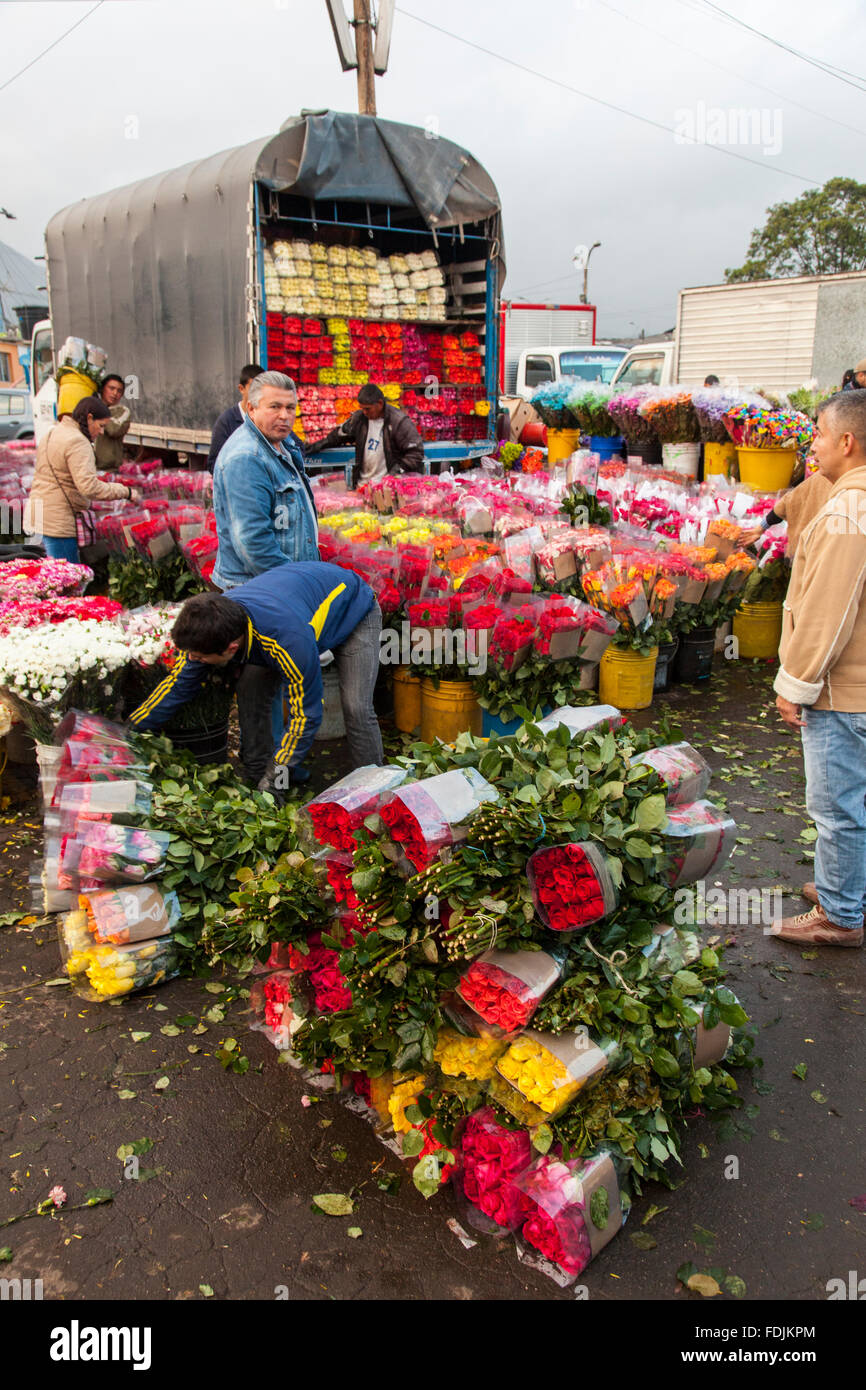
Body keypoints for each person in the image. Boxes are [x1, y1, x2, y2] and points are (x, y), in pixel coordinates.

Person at [128, 562, 383, 792]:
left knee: (356, 707)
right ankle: (257, 772)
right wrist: (131, 730)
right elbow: (177, 684)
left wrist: (277, 782)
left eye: (200, 658)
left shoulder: (288, 642)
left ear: (231, 649)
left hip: (354, 609)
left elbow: (306, 715)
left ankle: (375, 788)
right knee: (250, 688)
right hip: (295, 602)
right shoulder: (210, 626)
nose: (194, 661)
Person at [769, 389, 866, 947]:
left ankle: (840, 916)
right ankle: (845, 887)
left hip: (842, 687)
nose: (814, 446)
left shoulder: (849, 508)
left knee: (836, 807)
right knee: (854, 801)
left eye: (820, 435)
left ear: (847, 443)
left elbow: (829, 609)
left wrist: (796, 683)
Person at [211, 370, 317, 591]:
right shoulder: (246, 457)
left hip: (280, 582)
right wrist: (296, 584)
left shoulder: (284, 444)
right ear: (251, 408)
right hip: (260, 590)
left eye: (290, 408)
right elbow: (253, 541)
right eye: (274, 407)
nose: (284, 415)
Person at [23, 396, 140, 562]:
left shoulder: (54, 431)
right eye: (100, 426)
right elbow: (89, 487)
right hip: (57, 522)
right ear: (89, 418)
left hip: (38, 514)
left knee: (50, 577)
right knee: (67, 581)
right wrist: (126, 491)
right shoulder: (78, 441)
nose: (101, 432)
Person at [304, 382, 424, 488]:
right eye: (362, 409)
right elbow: (338, 436)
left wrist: (394, 475)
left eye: (368, 409)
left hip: (388, 488)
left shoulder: (399, 421)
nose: (365, 412)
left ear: (380, 403)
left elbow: (415, 453)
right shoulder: (359, 419)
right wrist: (313, 447)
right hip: (363, 486)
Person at [208, 363, 265, 470]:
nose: (258, 394)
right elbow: (214, 464)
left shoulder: (268, 418)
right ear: (241, 389)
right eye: (253, 388)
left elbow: (295, 445)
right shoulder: (227, 421)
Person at [93, 374, 132, 471]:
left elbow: (114, 430)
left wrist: (99, 408)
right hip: (89, 467)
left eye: (119, 391)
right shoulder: (91, 408)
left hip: (109, 470)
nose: (115, 393)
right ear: (102, 389)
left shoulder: (123, 411)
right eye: (111, 388)